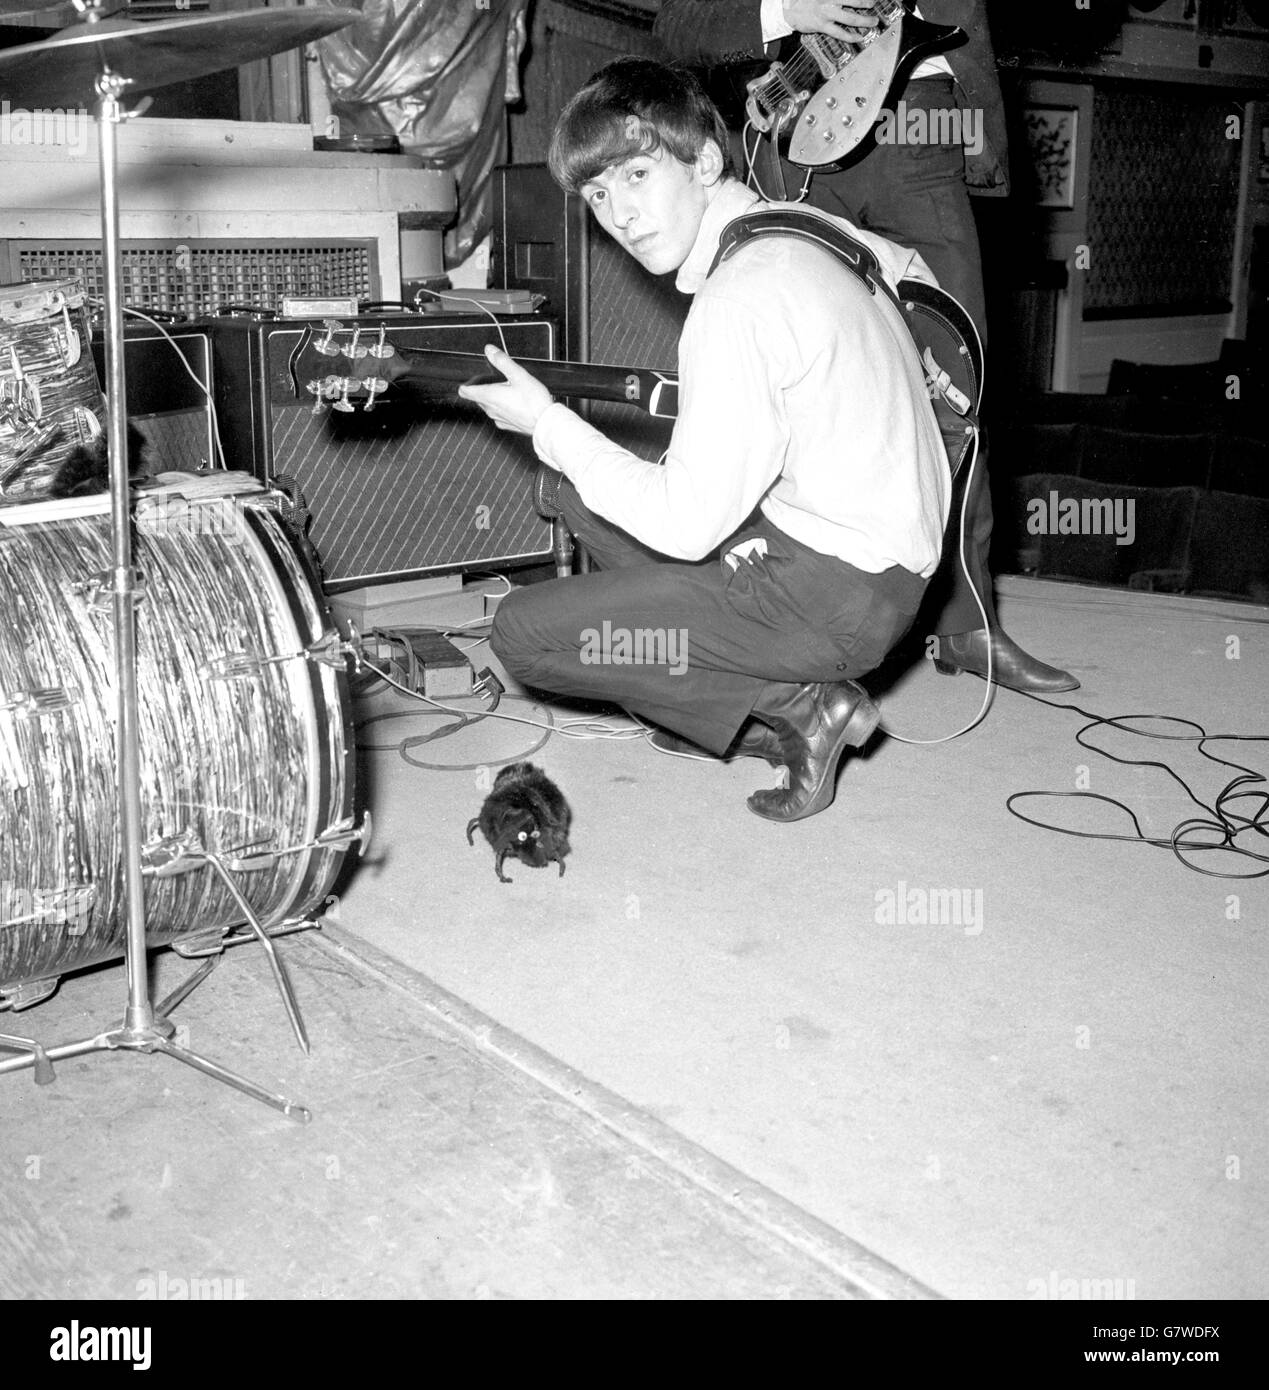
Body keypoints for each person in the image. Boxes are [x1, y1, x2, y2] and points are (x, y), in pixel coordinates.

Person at [459, 57, 952, 824]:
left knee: (522, 635)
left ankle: (793, 701)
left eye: (635, 175)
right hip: (886, 558)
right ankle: (745, 692)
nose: (618, 214)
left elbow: (686, 527)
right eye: (596, 194)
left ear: (706, 161)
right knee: (569, 488)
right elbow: (917, 279)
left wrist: (548, 423)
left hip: (836, 597)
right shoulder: (806, 230)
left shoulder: (734, 300)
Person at [652, 0, 1080, 693]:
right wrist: (791, 7)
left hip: (919, 114)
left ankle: (965, 625)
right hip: (789, 119)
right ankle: (777, 627)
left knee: (957, 382)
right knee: (792, 390)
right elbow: (676, 25)